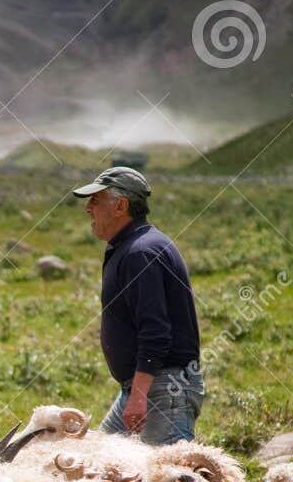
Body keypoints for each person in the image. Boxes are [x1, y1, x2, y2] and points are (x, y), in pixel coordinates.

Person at [71, 166, 204, 444]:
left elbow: (155, 329)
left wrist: (140, 395)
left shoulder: (140, 252)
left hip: (162, 389)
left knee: (166, 481)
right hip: (145, 387)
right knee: (100, 466)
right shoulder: (133, 246)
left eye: (95, 200)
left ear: (120, 206)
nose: (88, 208)